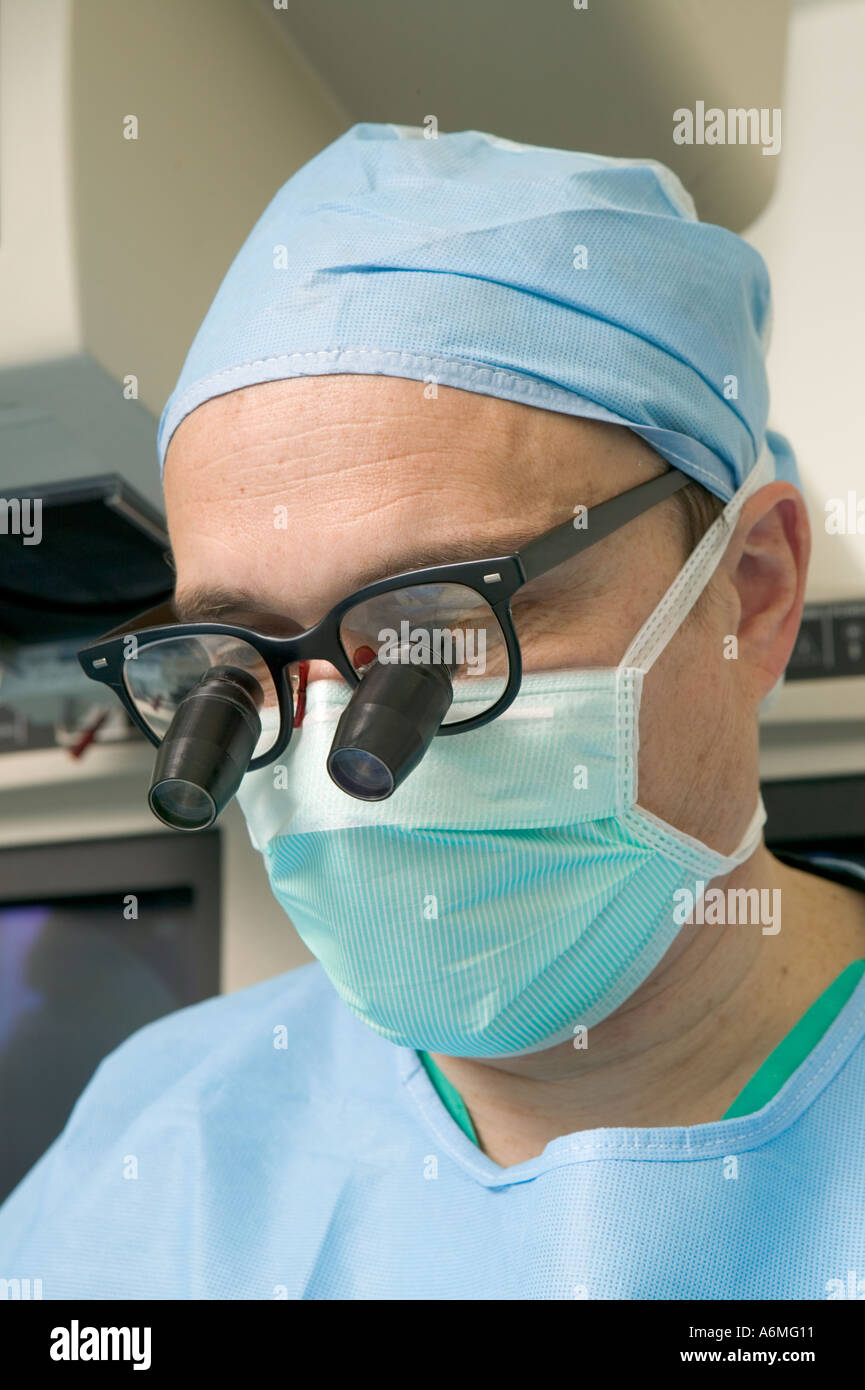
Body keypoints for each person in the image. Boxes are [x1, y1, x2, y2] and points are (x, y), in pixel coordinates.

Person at [2, 123, 864, 1300]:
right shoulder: (165, 1137)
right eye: (244, 657)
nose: (328, 747)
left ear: (750, 592)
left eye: (434, 632)